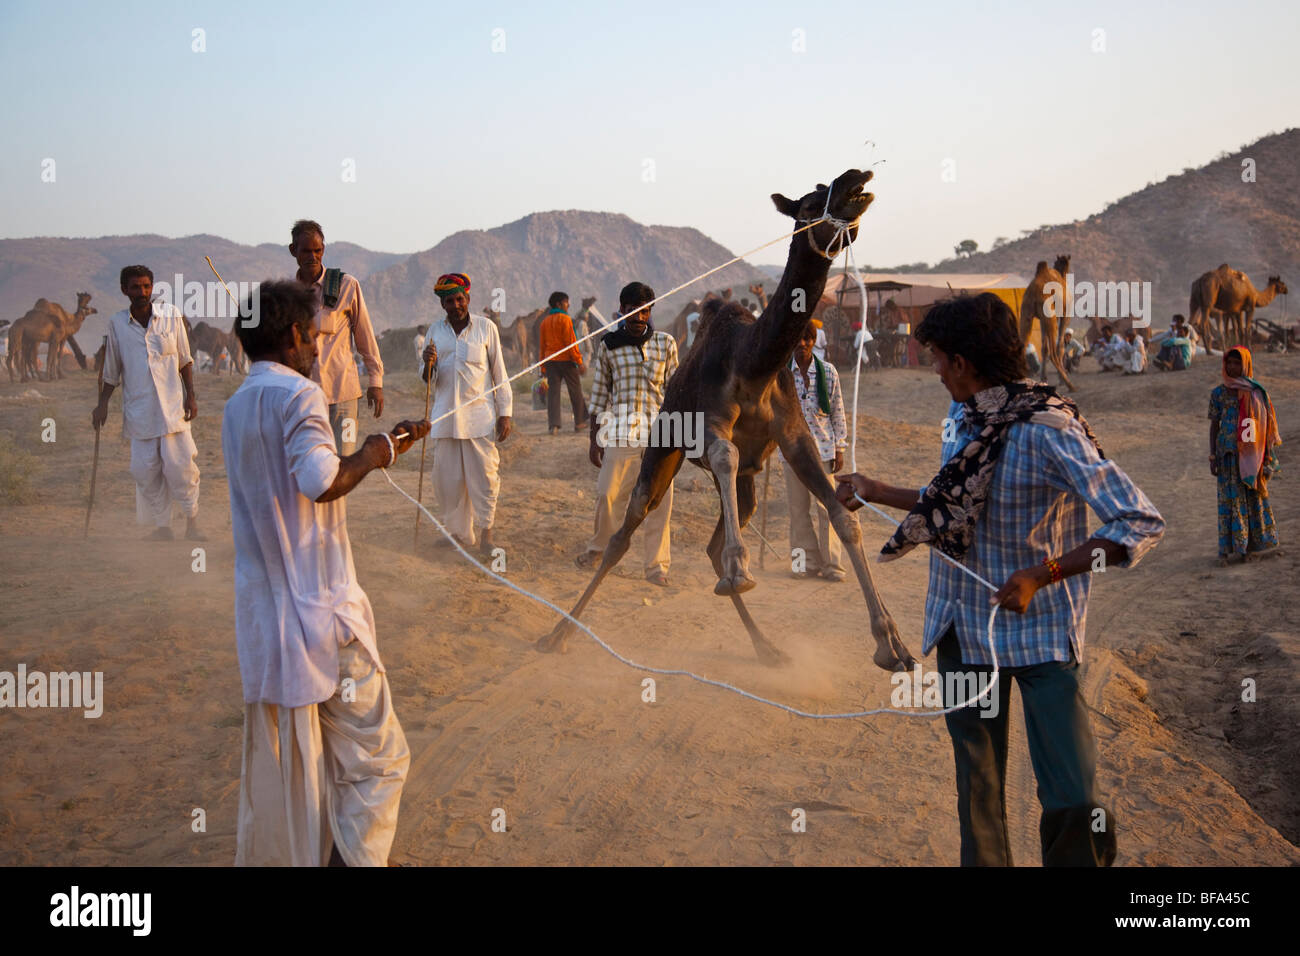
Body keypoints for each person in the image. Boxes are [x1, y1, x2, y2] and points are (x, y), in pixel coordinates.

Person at [836, 293, 1164, 867]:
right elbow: (956, 499)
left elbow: (1139, 522)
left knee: (1072, 792)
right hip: (964, 629)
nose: (933, 369)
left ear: (962, 362)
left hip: (1041, 633)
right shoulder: (964, 419)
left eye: (936, 357)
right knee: (978, 789)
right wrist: (879, 490)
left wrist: (1045, 573)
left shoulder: (1049, 429)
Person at [223, 279, 428, 867]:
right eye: (314, 336)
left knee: (305, 767)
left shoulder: (237, 405)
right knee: (380, 759)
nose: (318, 348)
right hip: (324, 623)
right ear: (291, 335)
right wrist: (376, 451)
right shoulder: (300, 397)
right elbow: (320, 480)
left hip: (267, 623)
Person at [91, 265, 204, 541]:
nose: (141, 292)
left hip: (173, 408)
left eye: (146, 286)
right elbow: (111, 371)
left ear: (152, 288)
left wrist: (191, 395)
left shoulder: (171, 316)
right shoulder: (117, 324)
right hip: (139, 410)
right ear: (124, 290)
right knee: (144, 471)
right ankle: (163, 527)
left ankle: (192, 523)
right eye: (135, 287)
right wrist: (102, 404)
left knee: (181, 469)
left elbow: (184, 359)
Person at [578, 281, 679, 586]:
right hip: (620, 432)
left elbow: (675, 391)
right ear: (622, 310)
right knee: (607, 494)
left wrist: (682, 435)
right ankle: (599, 548)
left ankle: (656, 566)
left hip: (659, 436)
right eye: (633, 310)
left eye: (645, 310)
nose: (639, 317)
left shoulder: (666, 344)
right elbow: (599, 395)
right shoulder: (609, 345)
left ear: (650, 311)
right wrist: (594, 438)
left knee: (658, 502)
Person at [420, 273, 513, 556]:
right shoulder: (434, 332)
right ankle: (459, 534)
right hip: (445, 420)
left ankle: (487, 534)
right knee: (447, 481)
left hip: (479, 419)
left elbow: (499, 373)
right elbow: (427, 380)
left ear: (468, 299)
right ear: (443, 304)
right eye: (450, 301)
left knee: (484, 478)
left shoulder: (486, 329)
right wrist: (428, 363)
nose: (456, 305)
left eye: (460, 299)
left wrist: (504, 413)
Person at [290, 220, 384, 454]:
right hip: (302, 398)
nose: (313, 256)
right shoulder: (287, 294)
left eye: (317, 250)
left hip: (343, 397)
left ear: (324, 250)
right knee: (308, 465)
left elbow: (365, 337)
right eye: (306, 251)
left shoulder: (346, 285)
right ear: (293, 251)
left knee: (344, 463)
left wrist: (376, 381)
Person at [783, 321, 848, 581]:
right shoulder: (782, 374)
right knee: (798, 511)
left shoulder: (828, 372)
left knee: (827, 508)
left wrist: (840, 448)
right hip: (791, 452)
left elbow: (838, 411)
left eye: (807, 339)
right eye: (798, 339)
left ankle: (833, 565)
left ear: (813, 341)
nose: (802, 344)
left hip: (822, 451)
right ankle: (803, 564)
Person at [1209, 346, 1281, 565]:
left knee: (1251, 499)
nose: (1232, 367)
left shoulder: (1257, 393)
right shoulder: (1218, 393)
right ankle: (1227, 550)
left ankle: (1250, 547)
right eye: (1229, 363)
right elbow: (1214, 426)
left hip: (1250, 458)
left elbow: (1265, 428)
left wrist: (1266, 459)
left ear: (1246, 365)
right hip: (1227, 457)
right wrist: (1212, 456)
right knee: (1229, 502)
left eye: (1237, 363)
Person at [538, 291, 588, 434]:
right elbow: (571, 344)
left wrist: (542, 367)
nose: (569, 305)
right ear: (559, 304)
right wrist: (579, 362)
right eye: (566, 302)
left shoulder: (544, 322)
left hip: (550, 362)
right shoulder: (565, 320)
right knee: (575, 391)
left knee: (553, 393)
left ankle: (553, 425)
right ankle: (579, 422)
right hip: (566, 360)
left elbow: (542, 346)